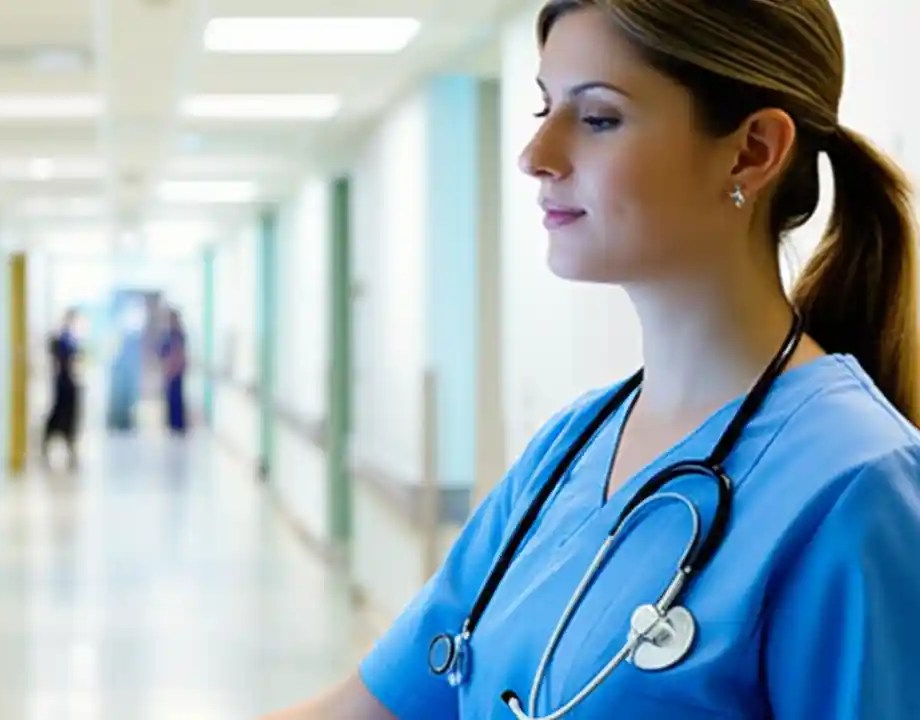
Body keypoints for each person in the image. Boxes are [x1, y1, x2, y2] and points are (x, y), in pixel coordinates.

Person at [263, 1, 920, 718]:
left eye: (599, 117)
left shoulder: (854, 485)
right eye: (544, 108)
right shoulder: (571, 447)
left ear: (752, 150)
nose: (536, 155)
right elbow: (374, 707)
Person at [43, 308, 83, 469]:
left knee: (70, 417)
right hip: (62, 383)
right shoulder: (60, 339)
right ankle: (49, 444)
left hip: (68, 382)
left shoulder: (69, 339)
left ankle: (70, 447)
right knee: (58, 414)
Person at [158, 308, 188, 435]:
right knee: (170, 400)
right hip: (169, 372)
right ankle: (172, 427)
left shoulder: (179, 335)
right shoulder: (167, 335)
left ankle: (179, 427)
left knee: (178, 399)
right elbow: (161, 353)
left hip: (177, 373)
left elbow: (181, 354)